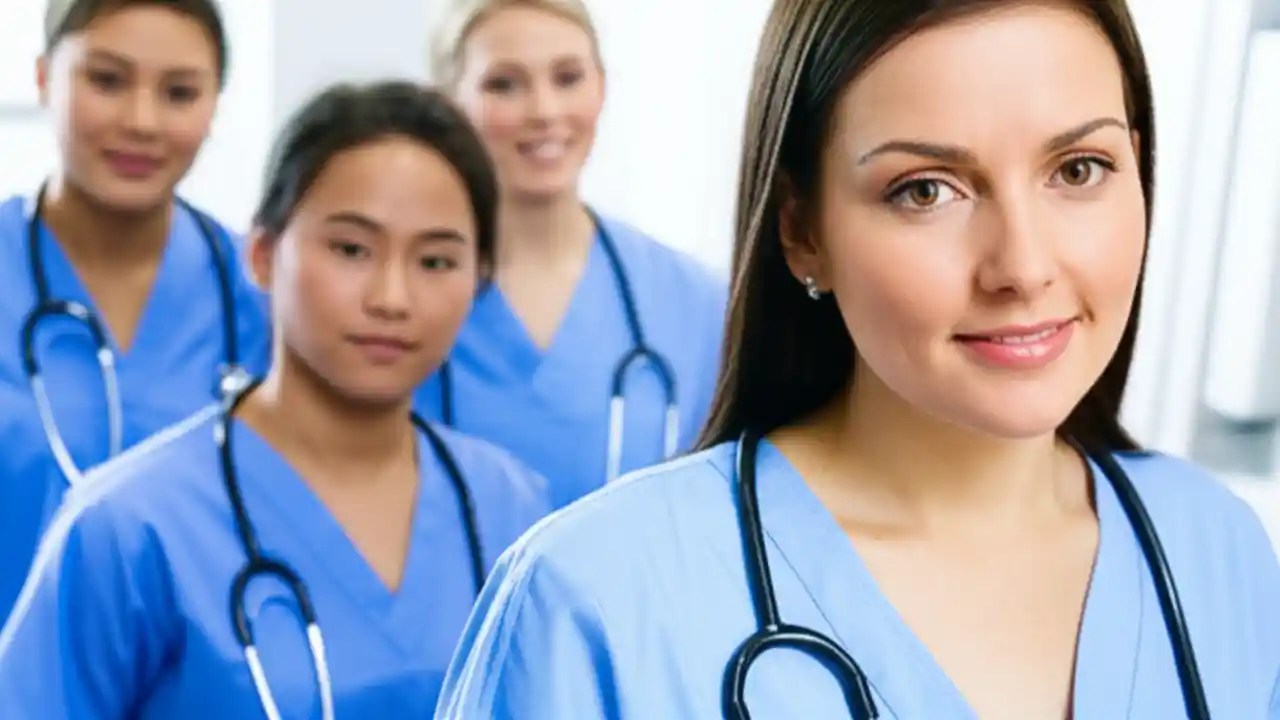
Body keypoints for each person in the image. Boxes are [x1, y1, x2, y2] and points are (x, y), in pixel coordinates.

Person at [433, 1, 1280, 718]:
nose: (1023, 267)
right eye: (926, 190)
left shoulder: (1214, 549)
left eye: (1080, 168)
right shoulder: (593, 601)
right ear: (803, 230)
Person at [0, 80, 552, 719]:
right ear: (262, 254)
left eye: (436, 261)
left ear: (479, 279)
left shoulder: (513, 509)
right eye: (351, 249)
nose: (392, 298)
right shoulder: (128, 525)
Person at [0, 0, 270, 620]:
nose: (142, 121)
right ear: (44, 78)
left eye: (179, 92)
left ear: (214, 105)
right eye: (107, 81)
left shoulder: (263, 298)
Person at [420, 0, 729, 508]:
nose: (544, 111)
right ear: (448, 104)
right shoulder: (405, 297)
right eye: (504, 84)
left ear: (602, 88)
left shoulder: (695, 304)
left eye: (567, 78)